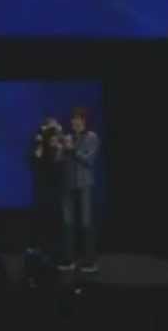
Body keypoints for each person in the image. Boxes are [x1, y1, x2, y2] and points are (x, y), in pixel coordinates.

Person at [58, 107, 101, 272]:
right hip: (67, 185)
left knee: (86, 222)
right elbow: (60, 160)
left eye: (78, 119)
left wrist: (73, 149)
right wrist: (60, 148)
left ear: (84, 121)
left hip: (84, 184)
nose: (74, 122)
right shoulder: (67, 137)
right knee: (67, 223)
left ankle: (90, 262)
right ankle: (68, 260)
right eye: (73, 119)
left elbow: (89, 160)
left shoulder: (92, 137)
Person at [28, 116, 64, 255]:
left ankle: (55, 250)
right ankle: (40, 248)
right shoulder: (40, 144)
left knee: (55, 218)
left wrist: (58, 139)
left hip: (56, 188)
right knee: (41, 218)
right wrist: (40, 141)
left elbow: (61, 164)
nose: (52, 129)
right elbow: (33, 161)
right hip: (42, 188)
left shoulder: (60, 145)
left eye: (54, 126)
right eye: (49, 126)